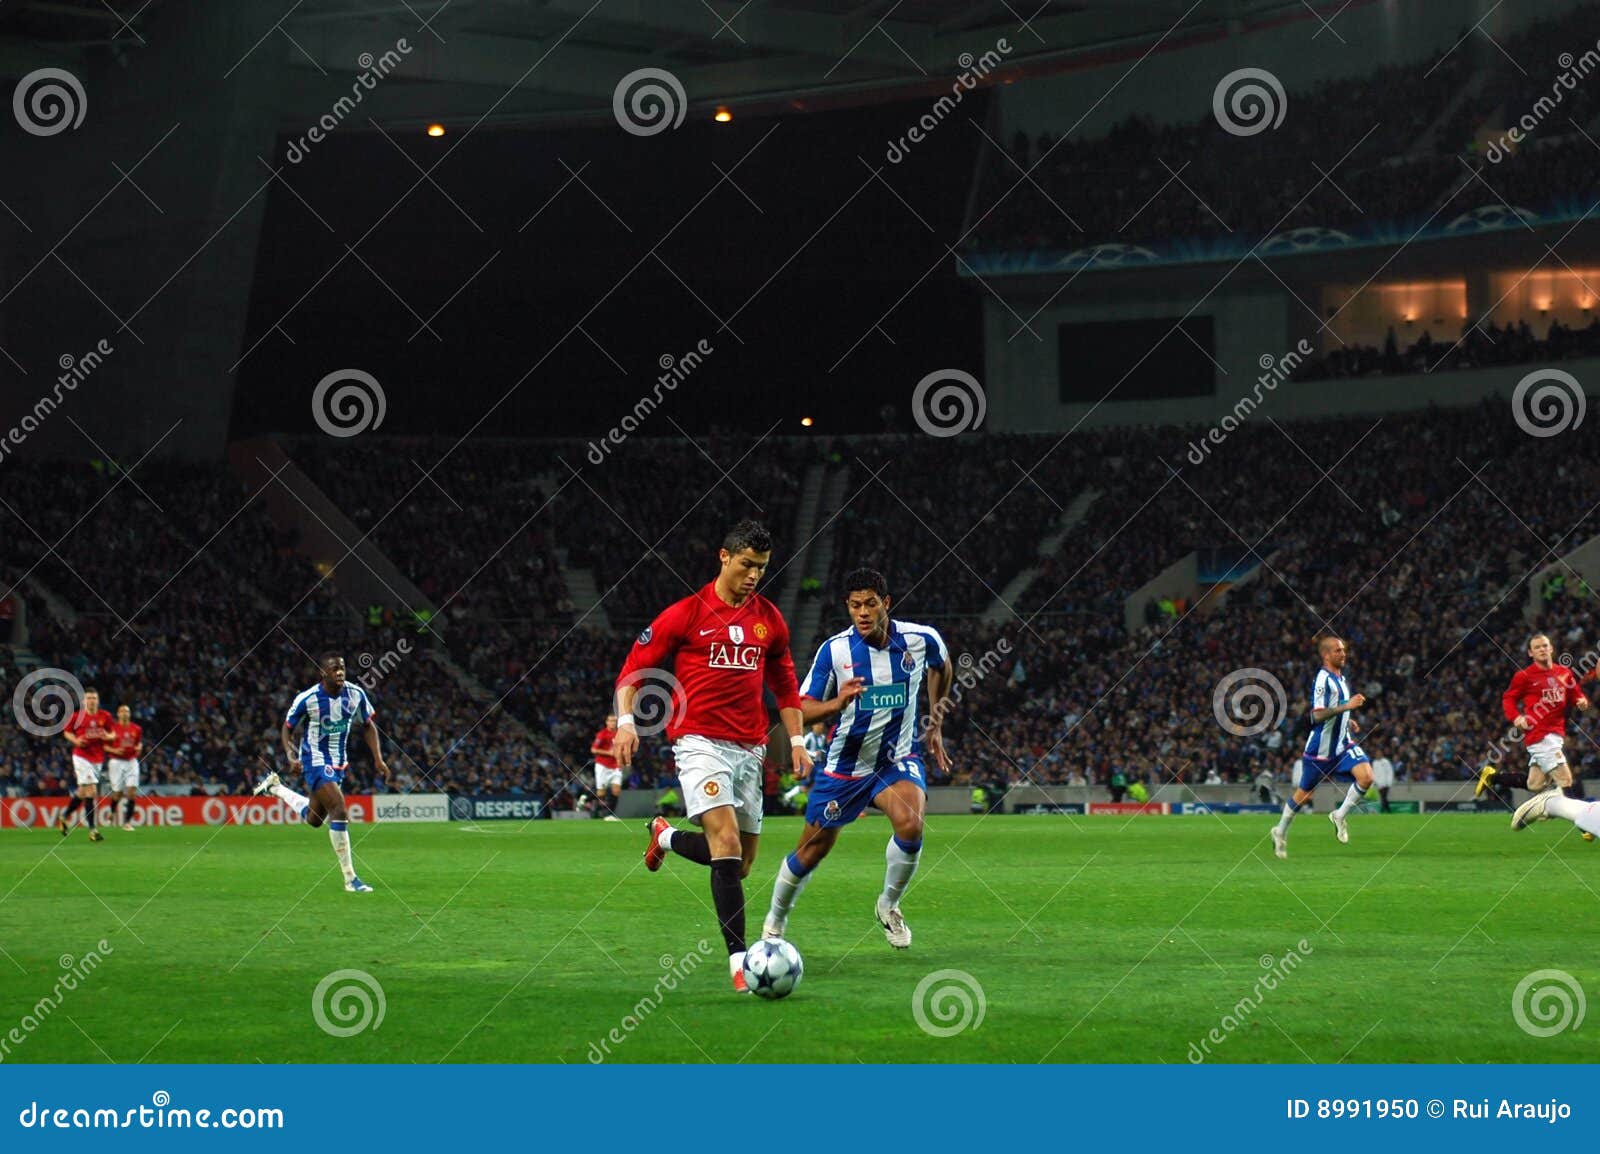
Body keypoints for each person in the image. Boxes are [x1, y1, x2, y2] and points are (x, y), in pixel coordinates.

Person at [618, 519, 808, 994]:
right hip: (699, 742)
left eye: (761, 569)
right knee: (725, 844)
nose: (753, 576)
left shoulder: (769, 620)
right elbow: (634, 668)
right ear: (724, 558)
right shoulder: (686, 613)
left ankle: (664, 838)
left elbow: (785, 686)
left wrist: (799, 741)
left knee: (739, 864)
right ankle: (740, 964)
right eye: (746, 565)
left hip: (751, 749)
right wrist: (626, 724)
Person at [762, 568, 951, 950]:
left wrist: (936, 720)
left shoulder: (920, 639)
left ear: (886, 604)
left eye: (869, 604)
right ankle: (774, 924)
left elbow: (942, 667)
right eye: (854, 606)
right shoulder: (835, 650)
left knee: (911, 823)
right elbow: (799, 707)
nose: (862, 612)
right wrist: (837, 702)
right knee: (811, 850)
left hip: (895, 759)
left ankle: (888, 904)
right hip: (846, 766)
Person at [252, 652, 391, 893]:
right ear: (322, 673)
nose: (339, 672)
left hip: (338, 762)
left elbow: (369, 726)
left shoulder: (355, 694)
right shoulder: (308, 699)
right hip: (314, 759)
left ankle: (275, 788)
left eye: (342, 668)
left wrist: (378, 759)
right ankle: (350, 879)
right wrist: (290, 755)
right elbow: (287, 729)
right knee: (339, 808)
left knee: (315, 819)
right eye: (334, 668)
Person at [1271, 636, 1376, 859]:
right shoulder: (1322, 680)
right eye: (1338, 651)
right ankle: (1280, 831)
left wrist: (1346, 719)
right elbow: (1317, 715)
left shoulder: (1341, 677)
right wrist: (1347, 706)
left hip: (1343, 744)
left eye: (1344, 650)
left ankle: (1339, 815)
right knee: (1304, 795)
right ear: (1326, 655)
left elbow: (1335, 709)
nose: (1343, 653)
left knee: (1366, 777)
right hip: (1320, 751)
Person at [1489, 633, 1591, 837]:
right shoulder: (1524, 676)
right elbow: (1508, 698)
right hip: (1539, 734)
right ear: (1530, 653)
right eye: (1537, 647)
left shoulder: (1564, 673)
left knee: (1534, 784)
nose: (1542, 649)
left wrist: (1581, 700)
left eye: (1545, 645)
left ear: (1551, 648)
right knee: (1566, 779)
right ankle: (1586, 826)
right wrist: (1517, 718)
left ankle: (1493, 777)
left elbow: (1574, 693)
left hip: (1556, 734)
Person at [58, 687, 111, 842]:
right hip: (81, 757)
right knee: (92, 790)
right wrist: (76, 741)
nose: (91, 701)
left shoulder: (105, 716)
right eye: (88, 698)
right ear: (83, 701)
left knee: (82, 792)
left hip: (98, 759)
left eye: (94, 698)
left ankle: (64, 815)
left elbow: (113, 733)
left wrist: (107, 736)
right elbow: (67, 732)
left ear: (98, 700)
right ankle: (93, 830)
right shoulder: (76, 717)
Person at [105, 704, 143, 830]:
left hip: (131, 761)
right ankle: (112, 811)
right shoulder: (112, 729)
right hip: (116, 762)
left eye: (127, 711)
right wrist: (115, 751)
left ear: (130, 714)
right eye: (122, 711)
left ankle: (127, 822)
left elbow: (138, 744)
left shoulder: (136, 729)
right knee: (118, 793)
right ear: (118, 714)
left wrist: (139, 748)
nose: (125, 713)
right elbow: (104, 746)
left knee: (132, 792)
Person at [590, 713, 622, 821]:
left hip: (616, 766)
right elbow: (593, 749)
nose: (613, 723)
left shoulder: (620, 734)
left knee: (616, 790)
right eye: (611, 721)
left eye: (614, 721)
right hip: (602, 765)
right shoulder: (602, 734)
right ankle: (592, 808)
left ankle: (610, 814)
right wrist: (608, 753)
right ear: (607, 722)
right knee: (601, 792)